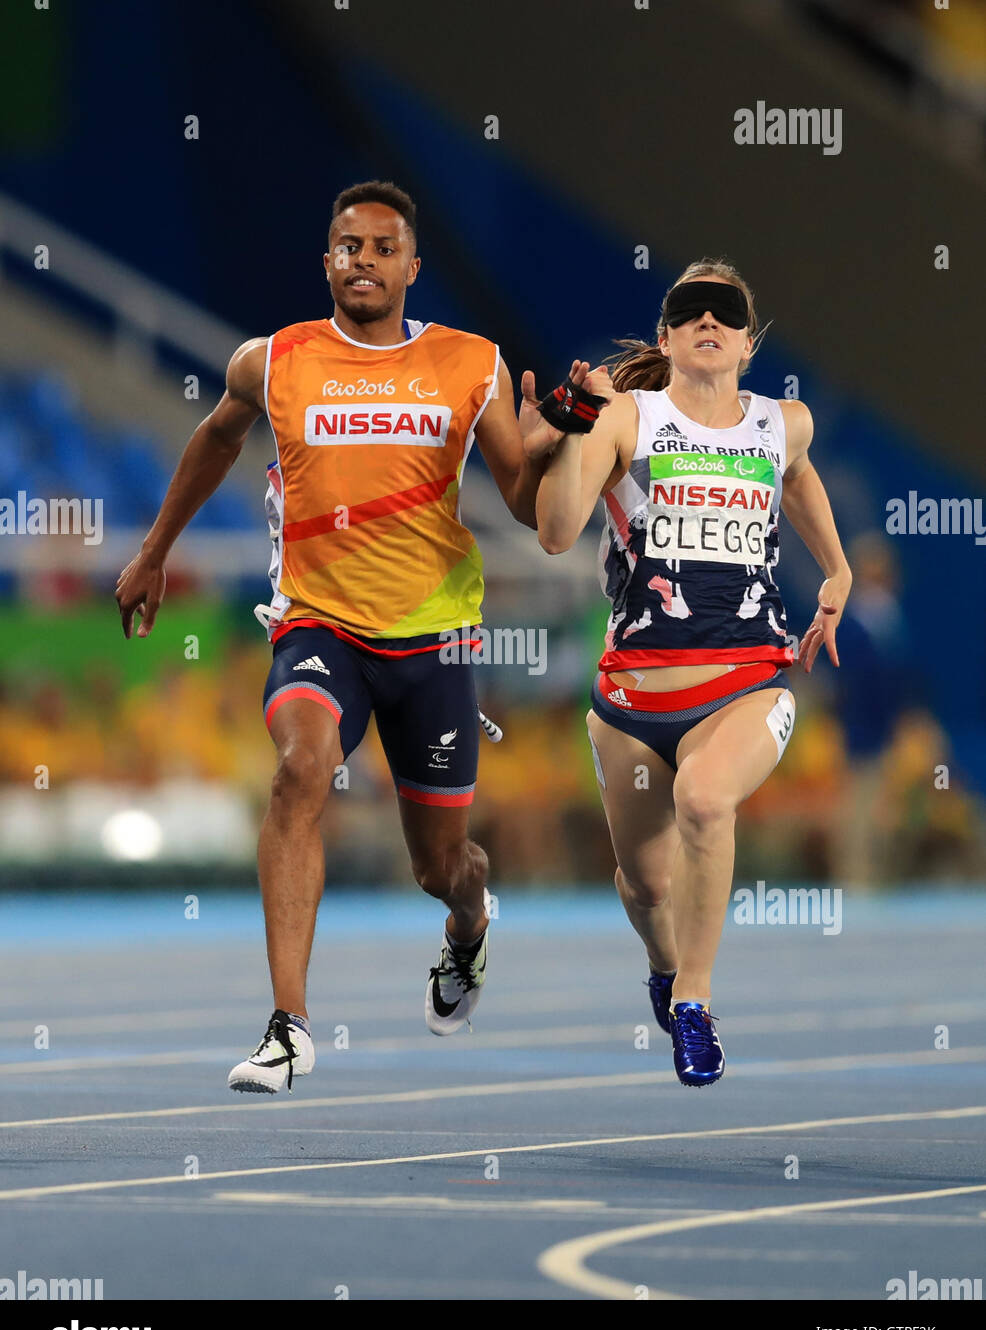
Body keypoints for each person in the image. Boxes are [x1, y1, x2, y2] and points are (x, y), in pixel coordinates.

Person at [115, 181, 605, 1093]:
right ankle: (288, 1027)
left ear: (413, 267)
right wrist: (153, 553)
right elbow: (218, 439)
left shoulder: (473, 364)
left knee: (441, 867)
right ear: (326, 260)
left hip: (433, 643)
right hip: (318, 625)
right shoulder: (275, 361)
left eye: (382, 248)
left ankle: (469, 928)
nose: (363, 261)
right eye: (348, 246)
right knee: (301, 768)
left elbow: (524, 500)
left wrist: (558, 438)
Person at [533, 261, 852, 1086]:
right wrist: (572, 429)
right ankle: (668, 970)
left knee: (705, 800)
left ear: (748, 341)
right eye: (690, 311)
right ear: (669, 335)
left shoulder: (784, 424)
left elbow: (799, 477)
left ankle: (696, 1006)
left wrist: (838, 571)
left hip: (746, 683)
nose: (709, 321)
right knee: (644, 887)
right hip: (632, 699)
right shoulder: (629, 417)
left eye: (727, 312)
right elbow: (558, 532)